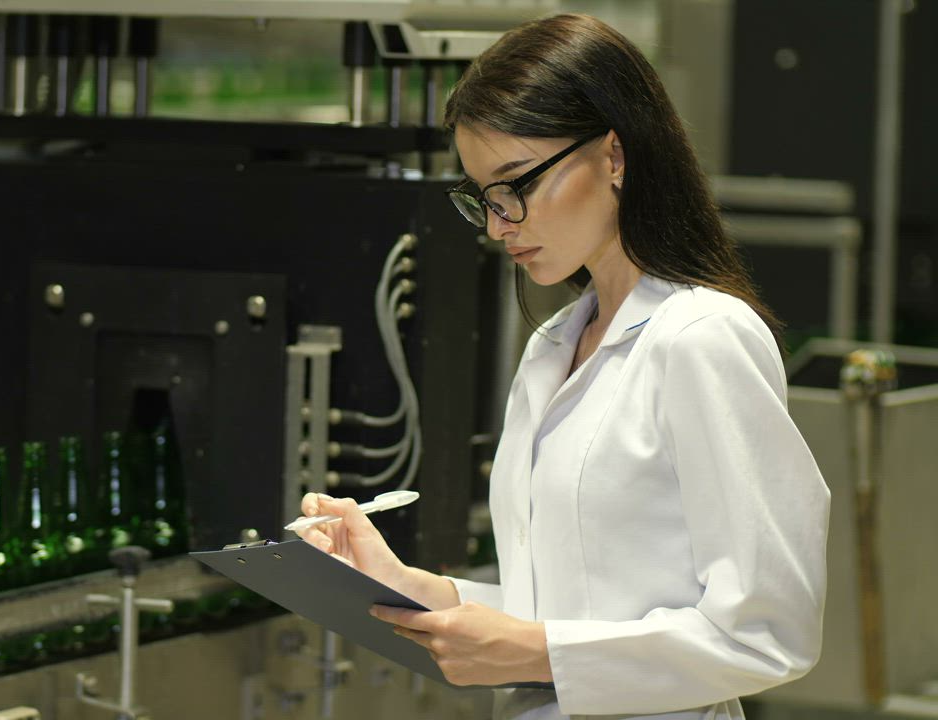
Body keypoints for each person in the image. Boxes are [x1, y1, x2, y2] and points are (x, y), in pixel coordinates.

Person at [297, 13, 829, 720]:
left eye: (517, 182)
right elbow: (554, 607)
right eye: (484, 196)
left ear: (614, 154)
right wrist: (412, 590)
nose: (497, 224)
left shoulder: (702, 338)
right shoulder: (554, 344)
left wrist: (540, 655)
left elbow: (770, 633)